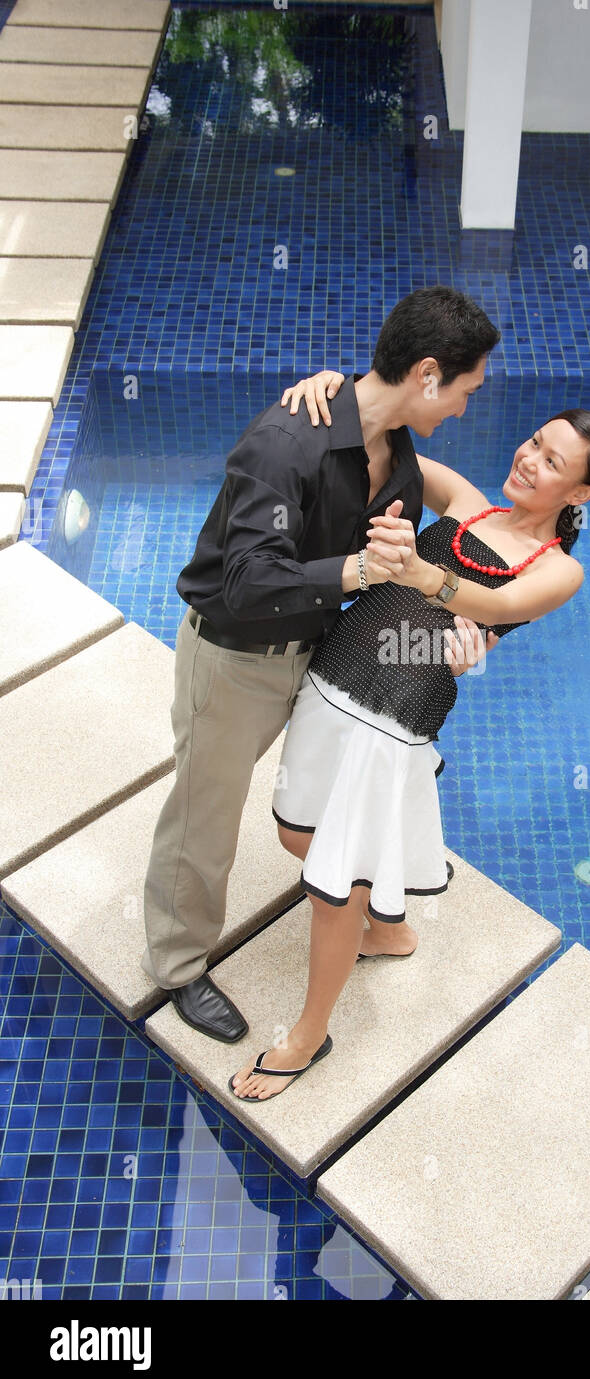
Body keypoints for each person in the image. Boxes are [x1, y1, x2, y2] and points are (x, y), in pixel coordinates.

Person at [227, 373, 590, 1100]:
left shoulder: (559, 571)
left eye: (552, 463)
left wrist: (420, 572)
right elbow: (379, 430)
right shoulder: (468, 504)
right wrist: (337, 386)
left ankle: (309, 1035)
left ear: (581, 495)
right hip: (331, 680)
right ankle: (388, 928)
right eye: (535, 442)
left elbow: (494, 602)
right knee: (295, 834)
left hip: (392, 715)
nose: (529, 460)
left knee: (333, 885)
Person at [140, 286, 502, 1044]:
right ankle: (176, 965)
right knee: (205, 814)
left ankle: (369, 903)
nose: (467, 409)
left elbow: (449, 541)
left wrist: (464, 622)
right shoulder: (285, 441)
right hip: (236, 657)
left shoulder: (396, 451)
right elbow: (246, 579)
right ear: (429, 374)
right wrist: (362, 572)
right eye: (466, 391)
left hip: (314, 655)